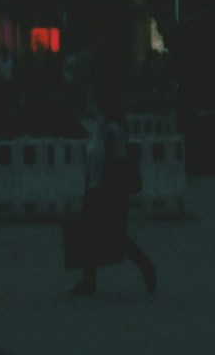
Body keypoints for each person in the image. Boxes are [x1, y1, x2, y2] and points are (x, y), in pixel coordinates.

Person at [62, 100, 157, 298]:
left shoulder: (112, 132)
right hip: (97, 188)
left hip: (108, 192)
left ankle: (143, 263)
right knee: (90, 233)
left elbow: (114, 163)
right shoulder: (102, 130)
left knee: (111, 235)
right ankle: (89, 280)